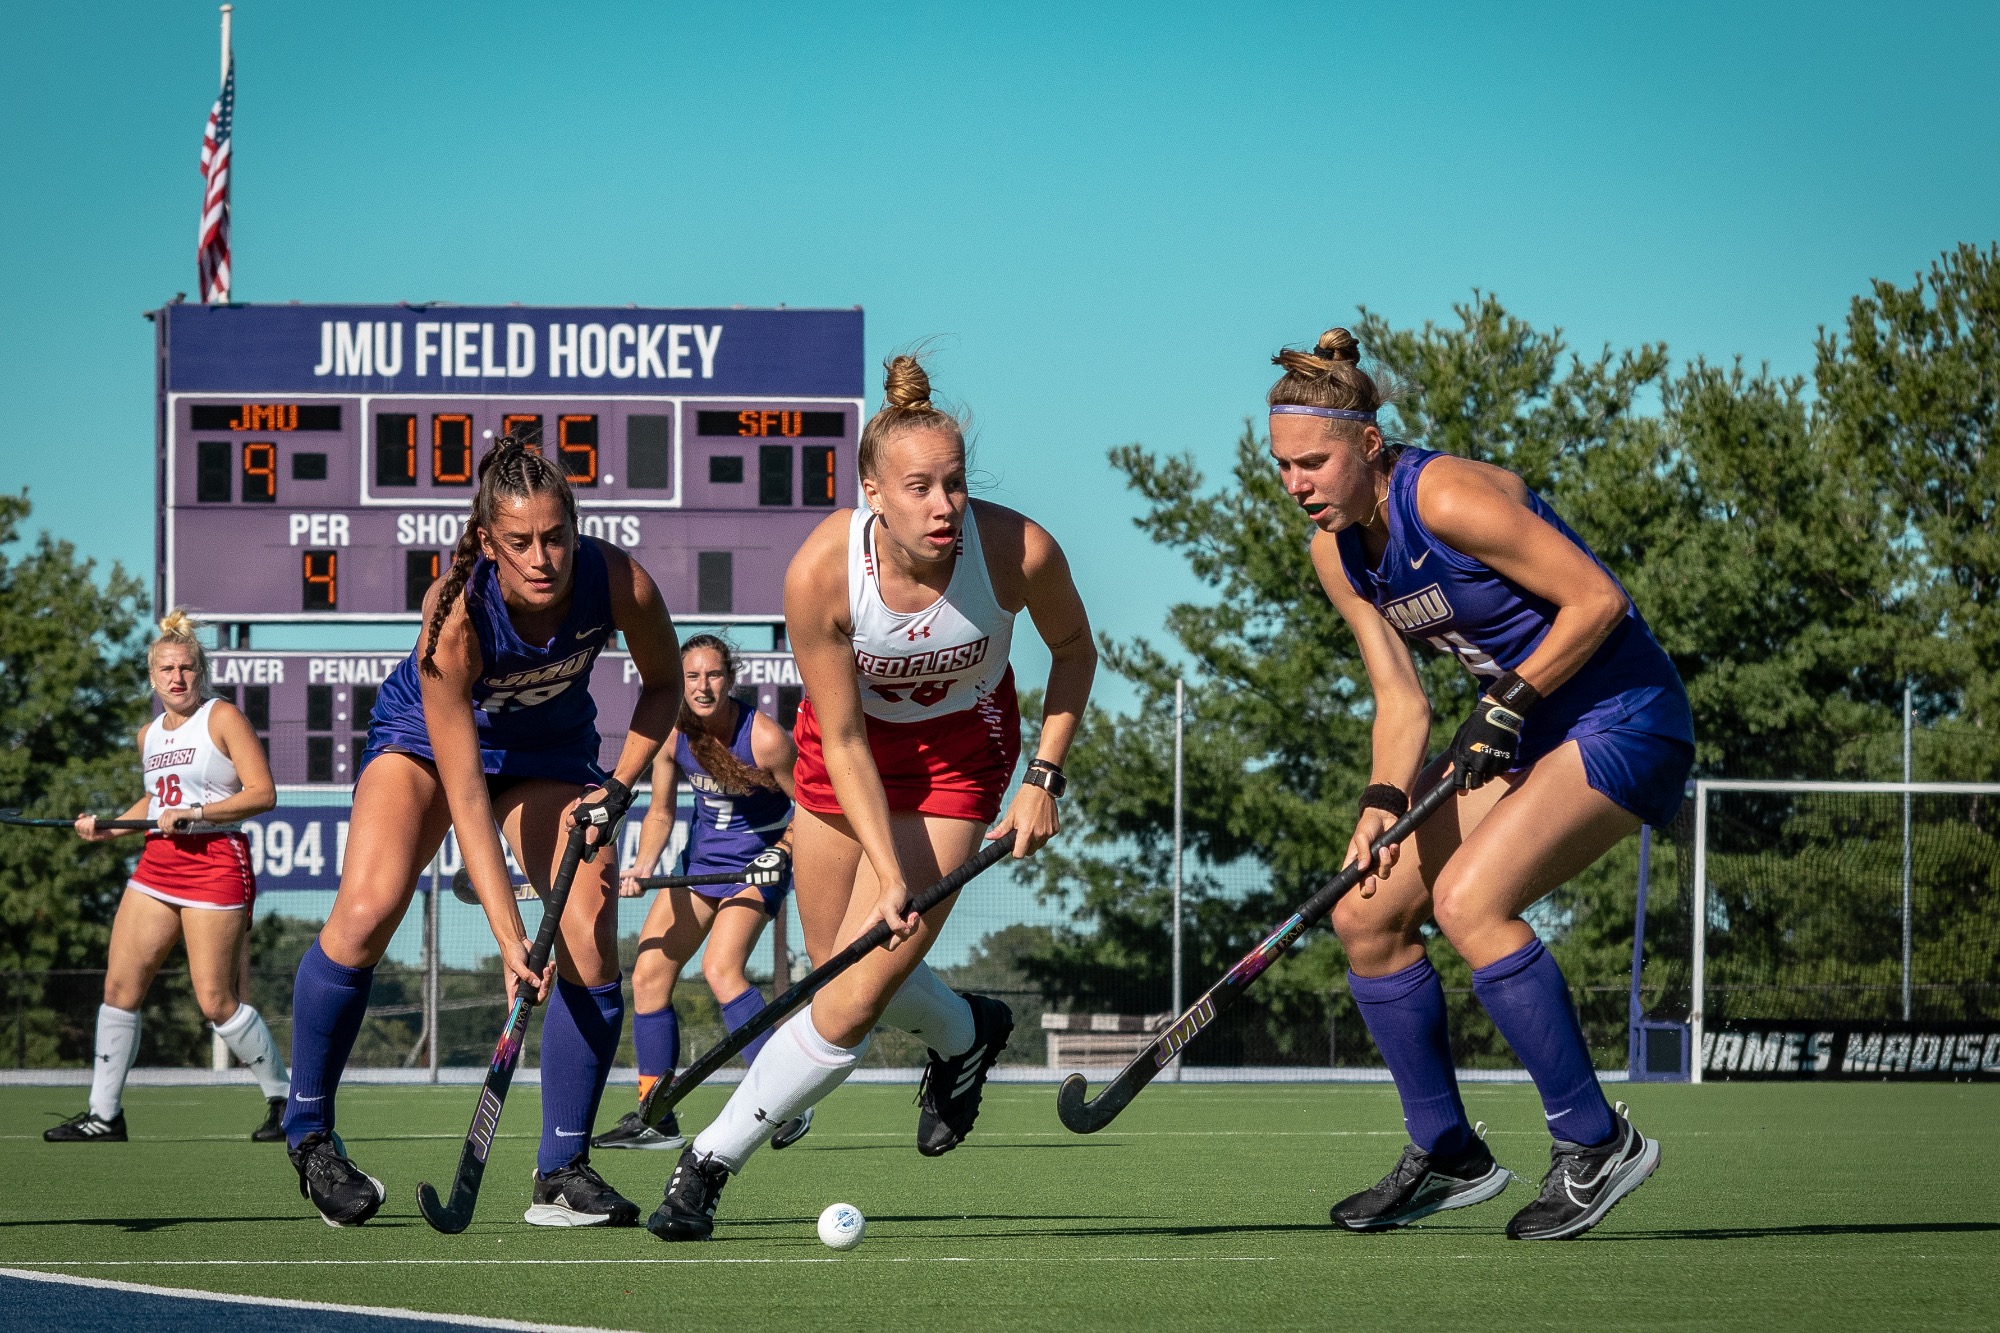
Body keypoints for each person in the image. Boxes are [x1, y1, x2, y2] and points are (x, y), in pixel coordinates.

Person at [646, 353, 1097, 1241]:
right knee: (845, 975)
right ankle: (968, 1033)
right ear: (871, 491)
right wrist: (889, 869)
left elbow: (1075, 650)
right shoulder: (822, 574)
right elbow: (845, 736)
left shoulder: (1017, 551)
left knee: (850, 994)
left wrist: (1044, 776)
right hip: (842, 755)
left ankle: (706, 1164)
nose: (944, 506)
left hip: (958, 760)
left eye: (956, 485)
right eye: (920, 487)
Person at [1268, 327, 1694, 1241]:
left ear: (1368, 445)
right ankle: (1451, 1153)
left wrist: (1510, 696)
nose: (1296, 483)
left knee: (1469, 899)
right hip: (1525, 729)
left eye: (1313, 463)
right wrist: (1380, 805)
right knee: (1367, 914)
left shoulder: (1448, 496)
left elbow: (1598, 600)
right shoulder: (1335, 552)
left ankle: (1597, 1142)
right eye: (1283, 466)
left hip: (1624, 714)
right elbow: (1400, 699)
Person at [281, 434, 680, 1228]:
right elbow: (466, 796)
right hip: (428, 746)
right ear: (486, 542)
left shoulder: (619, 581)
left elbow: (665, 683)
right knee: (367, 910)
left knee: (590, 930)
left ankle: (561, 1168)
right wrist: (508, 938)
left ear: (576, 526)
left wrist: (621, 784)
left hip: (549, 753)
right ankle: (310, 1134)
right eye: (521, 542)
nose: (543, 557)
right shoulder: (457, 615)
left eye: (557, 536)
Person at [48, 610, 288, 1144]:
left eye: (186, 668)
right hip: (159, 864)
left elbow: (263, 794)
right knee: (119, 988)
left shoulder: (222, 718)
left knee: (215, 1002)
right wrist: (107, 827)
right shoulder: (148, 735)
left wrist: (199, 813)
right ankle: (104, 1114)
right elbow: (156, 801)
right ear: (152, 678)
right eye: (166, 670)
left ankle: (282, 1100)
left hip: (215, 862)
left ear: (200, 673)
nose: (177, 678)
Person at [593, 634, 810, 1153]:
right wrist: (643, 865)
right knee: (648, 974)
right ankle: (656, 1114)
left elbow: (813, 808)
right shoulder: (673, 734)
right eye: (692, 676)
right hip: (700, 869)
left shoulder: (765, 739)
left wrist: (780, 851)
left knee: (720, 970)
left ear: (730, 678)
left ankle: (786, 1104)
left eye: (713, 675)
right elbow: (662, 812)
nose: (703, 686)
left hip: (757, 870)